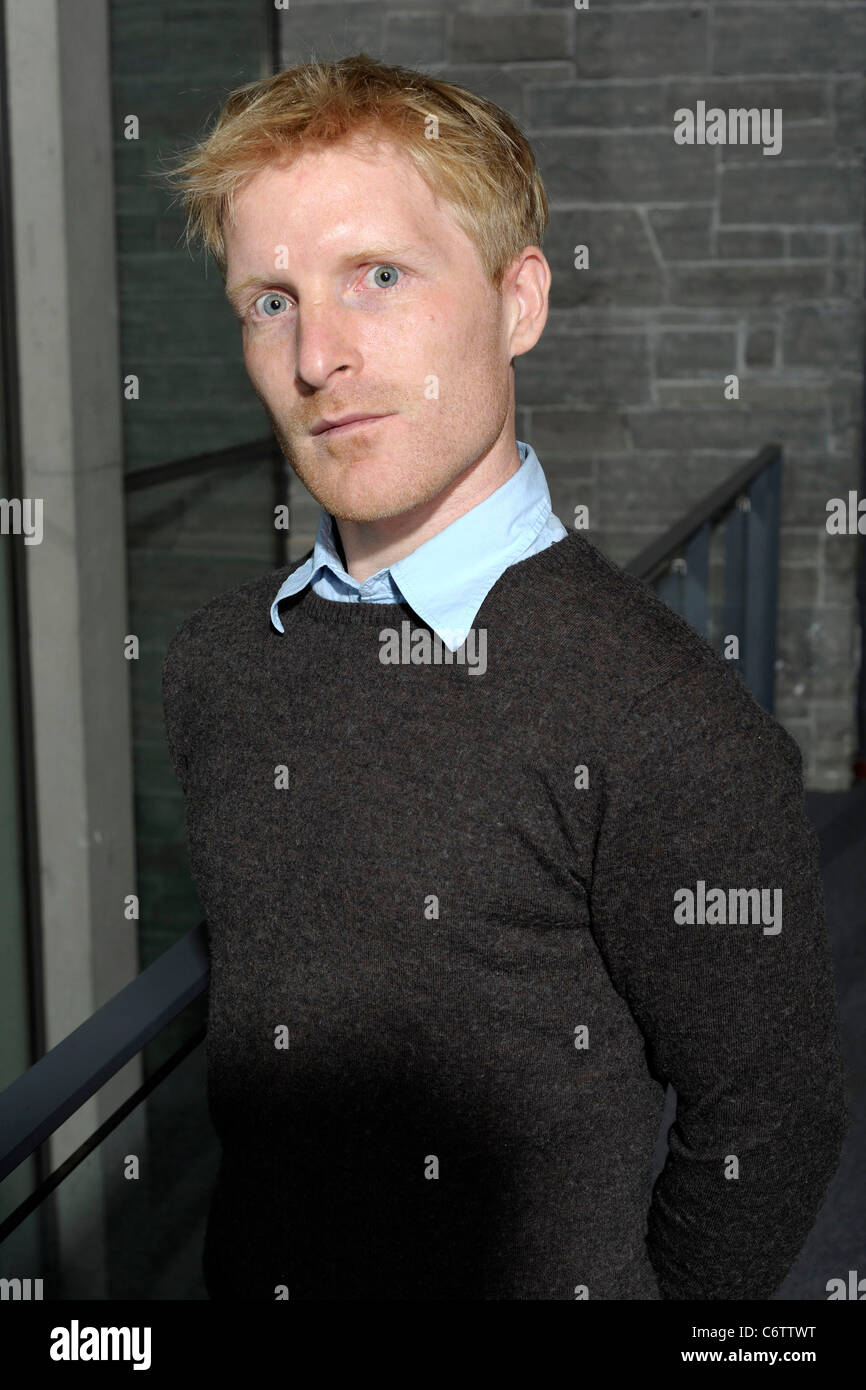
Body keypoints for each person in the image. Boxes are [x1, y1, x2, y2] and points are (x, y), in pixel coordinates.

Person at [162, 53, 848, 1300]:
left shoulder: (660, 719)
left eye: (378, 276)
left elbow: (771, 1118)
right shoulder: (219, 665)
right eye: (270, 299)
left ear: (516, 301)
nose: (317, 356)